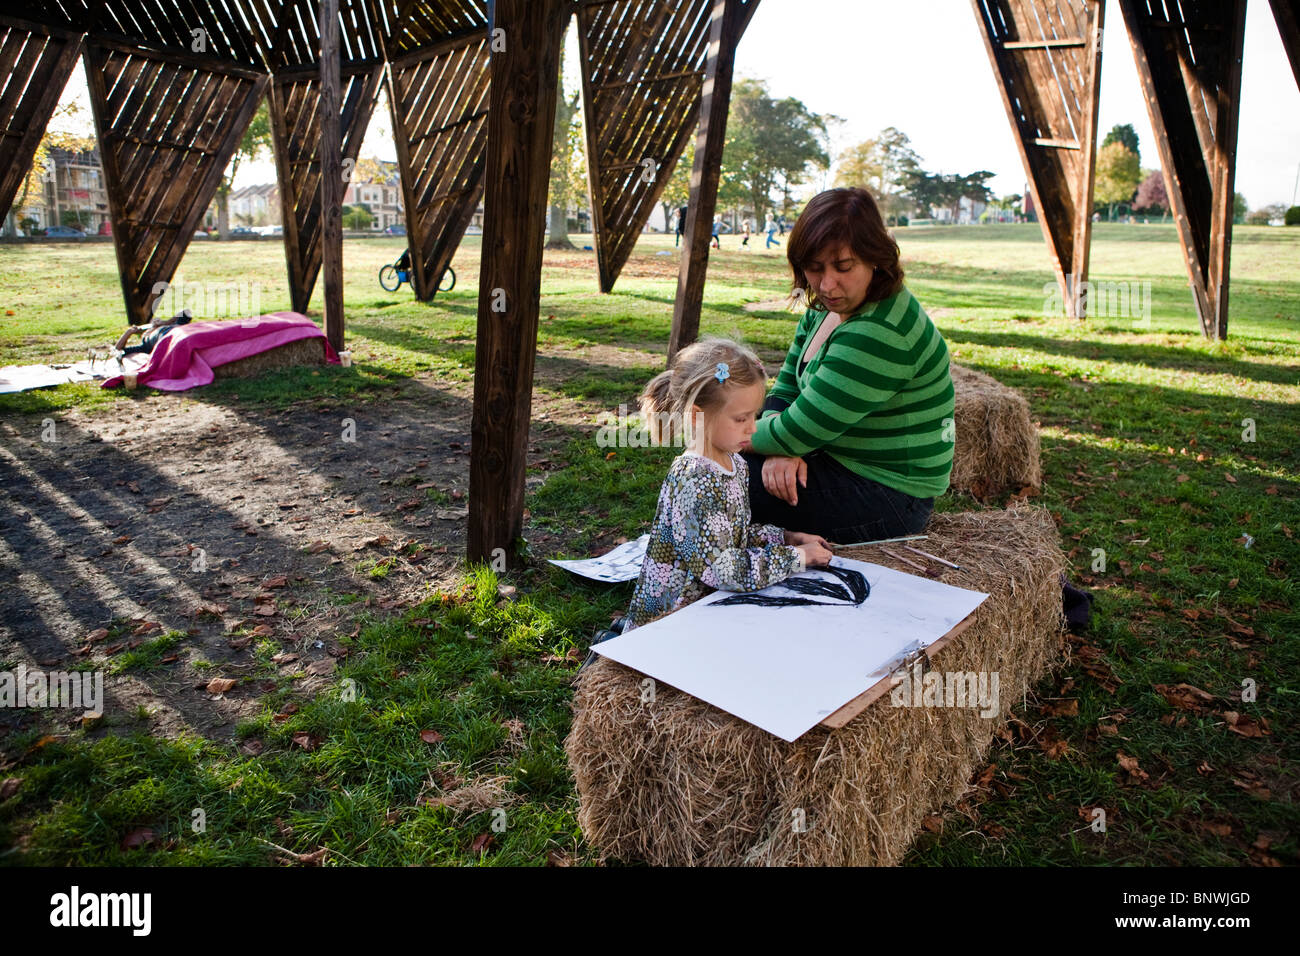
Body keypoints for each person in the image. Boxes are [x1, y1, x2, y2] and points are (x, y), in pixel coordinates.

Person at [740, 186, 954, 545]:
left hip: (889, 494)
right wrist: (780, 445)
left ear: (875, 256)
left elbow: (798, 430)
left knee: (719, 480)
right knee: (724, 472)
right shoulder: (827, 308)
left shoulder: (879, 330)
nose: (826, 284)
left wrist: (740, 437)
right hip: (835, 457)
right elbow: (788, 388)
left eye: (843, 267)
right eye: (813, 268)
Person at [620, 338, 833, 633]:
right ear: (697, 415)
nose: (753, 428)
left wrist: (784, 538)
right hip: (672, 621)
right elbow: (724, 569)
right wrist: (797, 558)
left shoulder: (734, 462)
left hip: (708, 607)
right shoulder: (695, 479)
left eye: (754, 416)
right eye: (741, 419)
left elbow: (734, 534)